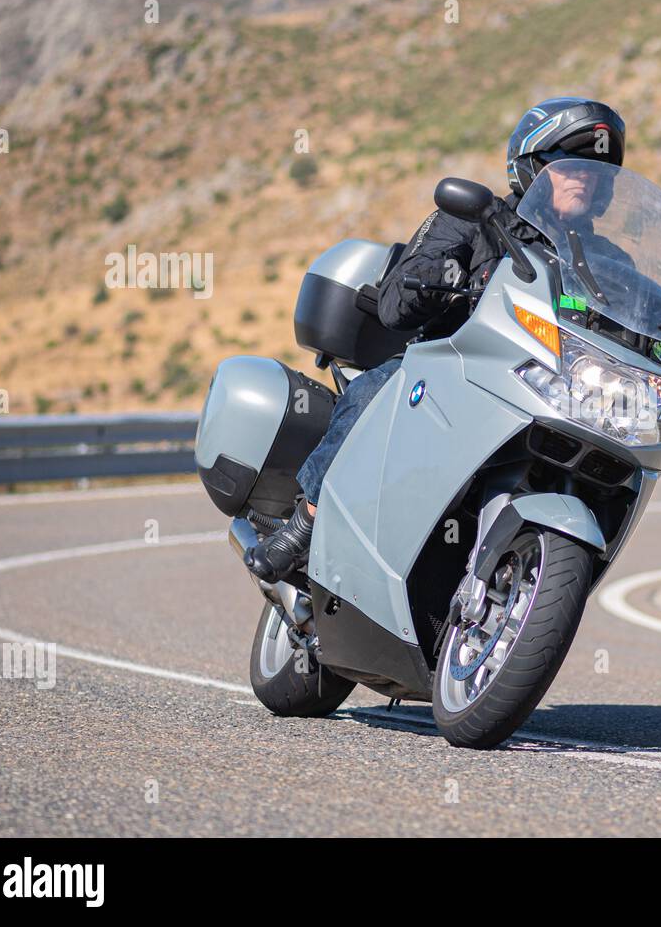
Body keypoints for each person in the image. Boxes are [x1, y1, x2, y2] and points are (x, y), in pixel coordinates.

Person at [245, 97, 627, 582]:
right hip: (455, 367)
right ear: (531, 166)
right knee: (382, 386)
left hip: (552, 391)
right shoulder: (475, 219)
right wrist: (433, 282)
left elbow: (639, 322)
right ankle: (305, 523)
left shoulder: (611, 262)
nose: (583, 178)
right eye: (567, 165)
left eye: (596, 173)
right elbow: (397, 304)